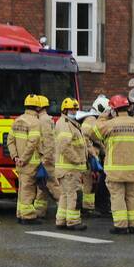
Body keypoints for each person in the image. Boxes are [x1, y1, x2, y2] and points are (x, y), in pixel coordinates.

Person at [96, 94, 134, 235]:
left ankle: (121, 226)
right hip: (132, 168)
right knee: (131, 196)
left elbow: (96, 132)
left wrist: (104, 116)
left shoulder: (109, 124)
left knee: (117, 196)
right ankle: (133, 225)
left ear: (113, 110)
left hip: (115, 169)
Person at [8, 94, 45, 223]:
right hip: (30, 162)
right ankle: (28, 216)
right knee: (28, 189)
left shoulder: (17, 120)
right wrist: (23, 158)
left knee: (22, 188)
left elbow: (10, 141)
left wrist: (15, 157)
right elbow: (33, 143)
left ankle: (20, 213)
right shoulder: (35, 122)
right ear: (37, 107)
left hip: (19, 162)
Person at [53, 97, 88, 231]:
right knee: (73, 194)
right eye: (71, 109)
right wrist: (77, 159)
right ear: (64, 110)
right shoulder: (65, 124)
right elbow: (64, 146)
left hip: (67, 168)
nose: (74, 111)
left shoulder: (70, 123)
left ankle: (61, 220)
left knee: (65, 194)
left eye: (75, 109)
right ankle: (73, 221)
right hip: (70, 168)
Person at [37, 95, 62, 217]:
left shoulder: (44, 120)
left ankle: (64, 209)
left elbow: (48, 141)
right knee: (43, 185)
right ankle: (39, 211)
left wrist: (46, 158)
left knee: (52, 183)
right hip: (47, 156)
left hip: (48, 158)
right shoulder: (44, 119)